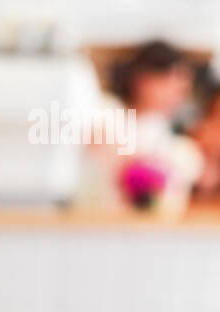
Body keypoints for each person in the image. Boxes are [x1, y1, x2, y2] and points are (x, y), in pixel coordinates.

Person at [79, 41, 202, 213]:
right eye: (171, 86)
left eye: (182, 90)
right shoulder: (106, 110)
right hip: (90, 216)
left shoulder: (162, 133)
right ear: (143, 79)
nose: (177, 98)